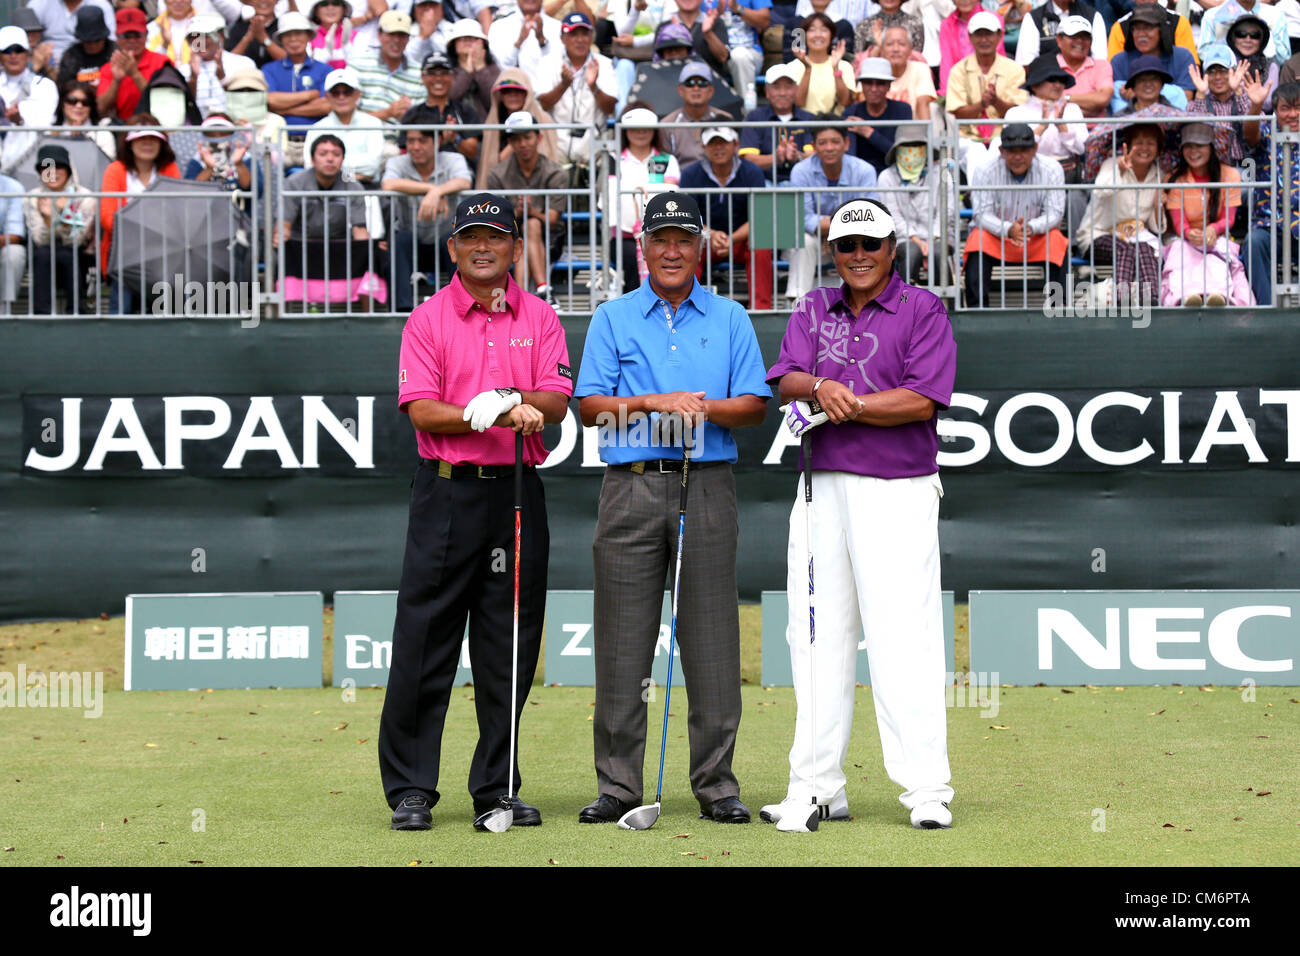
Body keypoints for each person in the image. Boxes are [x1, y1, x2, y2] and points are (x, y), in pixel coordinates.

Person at [573, 189, 770, 827]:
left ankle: (717, 786)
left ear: (700, 248)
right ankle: (619, 788)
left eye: (684, 239)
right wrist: (660, 402)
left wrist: (701, 408)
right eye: (661, 239)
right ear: (643, 248)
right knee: (622, 643)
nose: (672, 250)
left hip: (707, 482)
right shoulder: (612, 317)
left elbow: (754, 405)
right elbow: (590, 406)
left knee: (712, 639)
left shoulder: (731, 316)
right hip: (629, 484)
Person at [379, 190, 573, 833]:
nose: (483, 246)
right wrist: (486, 410)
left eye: (496, 235)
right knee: (426, 639)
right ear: (455, 248)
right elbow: (421, 410)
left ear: (516, 247)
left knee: (508, 643)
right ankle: (411, 788)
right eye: (471, 237)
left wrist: (521, 400)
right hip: (447, 492)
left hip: (515, 492)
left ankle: (496, 787)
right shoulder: (428, 320)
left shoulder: (540, 317)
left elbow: (556, 399)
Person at [761, 196, 956, 833]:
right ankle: (816, 787)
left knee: (904, 637)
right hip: (820, 486)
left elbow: (924, 399)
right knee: (813, 635)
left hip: (896, 487)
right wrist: (819, 388)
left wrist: (851, 403)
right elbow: (785, 375)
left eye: (871, 245)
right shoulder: (813, 306)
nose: (859, 256)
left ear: (892, 249)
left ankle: (927, 789)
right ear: (833, 253)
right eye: (847, 247)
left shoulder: (923, 307)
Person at [963, 121, 1067, 306]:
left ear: (1035, 149)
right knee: (977, 240)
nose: (1018, 157)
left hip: (1035, 235)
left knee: (1057, 241)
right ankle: (977, 310)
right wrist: (1008, 229)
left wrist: (1030, 227)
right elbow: (981, 214)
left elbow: (1055, 214)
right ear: (1002, 151)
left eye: (1024, 150)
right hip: (998, 236)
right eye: (1012, 151)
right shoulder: (985, 170)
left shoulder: (1052, 169)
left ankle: (1058, 308)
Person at [381, 106, 473, 317]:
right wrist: (431, 190)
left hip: (444, 246)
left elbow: (464, 180)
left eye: (422, 141)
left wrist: (439, 190)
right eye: (411, 140)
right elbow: (388, 184)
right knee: (400, 239)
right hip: (412, 247)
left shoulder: (452, 159)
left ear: (438, 141)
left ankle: (462, 310)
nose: (415, 146)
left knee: (453, 239)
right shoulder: (398, 162)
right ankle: (401, 311)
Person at [278, 133, 386, 309]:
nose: (330, 159)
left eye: (336, 154)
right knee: (279, 253)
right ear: (312, 159)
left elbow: (360, 230)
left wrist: (368, 249)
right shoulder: (294, 183)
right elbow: (284, 227)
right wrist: (280, 241)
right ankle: (280, 317)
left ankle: (369, 316)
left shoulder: (353, 186)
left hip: (339, 245)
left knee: (373, 254)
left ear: (342, 160)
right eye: (323, 154)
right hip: (302, 245)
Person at [680, 124, 773, 307]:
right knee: (688, 245)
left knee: (762, 244)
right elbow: (687, 217)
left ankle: (762, 308)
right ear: (704, 148)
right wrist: (712, 234)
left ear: (736, 144)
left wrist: (732, 238)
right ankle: (684, 307)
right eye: (712, 144)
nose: (718, 148)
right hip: (705, 240)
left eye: (723, 143)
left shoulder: (752, 172)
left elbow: (760, 217)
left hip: (741, 240)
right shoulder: (690, 173)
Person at [1161, 121, 1252, 306]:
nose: (1193, 152)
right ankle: (1184, 298)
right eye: (1188, 146)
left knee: (1216, 258)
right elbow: (1179, 224)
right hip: (1185, 239)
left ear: (1211, 148)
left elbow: (1229, 219)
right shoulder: (1174, 178)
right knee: (1180, 254)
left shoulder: (1230, 175)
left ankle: (1219, 296)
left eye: (1199, 146)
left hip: (1217, 236)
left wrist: (1213, 229)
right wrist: (1189, 233)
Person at [787, 119, 879, 302]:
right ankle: (797, 304)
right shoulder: (800, 171)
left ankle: (866, 304)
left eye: (835, 142)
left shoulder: (864, 171)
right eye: (822, 143)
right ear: (813, 146)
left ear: (846, 144)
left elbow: (867, 218)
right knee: (804, 240)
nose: (829, 148)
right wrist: (842, 226)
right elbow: (804, 218)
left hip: (853, 241)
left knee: (871, 244)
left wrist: (835, 234)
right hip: (817, 242)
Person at [1073, 121, 1165, 304]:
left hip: (1137, 236)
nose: (1144, 148)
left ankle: (1152, 299)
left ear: (1158, 149)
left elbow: (1157, 227)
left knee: (1145, 249)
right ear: (1128, 146)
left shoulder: (1159, 175)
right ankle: (1121, 298)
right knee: (1125, 248)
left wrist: (1158, 205)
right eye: (1139, 143)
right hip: (1099, 235)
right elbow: (1100, 191)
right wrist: (1120, 172)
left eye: (1150, 143)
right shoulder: (1111, 165)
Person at [99, 116, 181, 313]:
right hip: (125, 248)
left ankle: (170, 327)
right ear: (129, 142)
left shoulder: (169, 169)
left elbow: (177, 214)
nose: (147, 143)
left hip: (162, 248)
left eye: (153, 138)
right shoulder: (115, 170)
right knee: (127, 259)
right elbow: (108, 218)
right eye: (141, 138)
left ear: (162, 143)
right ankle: (119, 326)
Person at [485, 111, 568, 302]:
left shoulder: (556, 173)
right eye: (516, 139)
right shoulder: (497, 174)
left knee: (531, 226)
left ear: (538, 138)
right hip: (510, 237)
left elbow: (553, 221)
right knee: (523, 237)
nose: (522, 144)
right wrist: (517, 214)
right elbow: (495, 221)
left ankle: (519, 296)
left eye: (527, 137)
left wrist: (531, 213)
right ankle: (543, 289)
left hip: (550, 237)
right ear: (510, 143)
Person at [605, 100, 679, 294]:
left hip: (662, 232)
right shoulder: (613, 159)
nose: (640, 132)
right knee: (629, 260)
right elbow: (610, 196)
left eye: (646, 128)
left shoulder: (668, 160)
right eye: (634, 128)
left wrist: (638, 190)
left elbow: (671, 195)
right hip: (625, 236)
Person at [945, 10, 1028, 176]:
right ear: (970, 37)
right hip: (968, 137)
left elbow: (1018, 113)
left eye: (988, 34)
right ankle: (980, 201)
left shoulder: (1014, 69)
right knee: (975, 154)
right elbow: (957, 113)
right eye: (979, 35)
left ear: (999, 36)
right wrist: (981, 105)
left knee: (998, 151)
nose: (984, 40)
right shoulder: (958, 70)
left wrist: (996, 101)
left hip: (1004, 135)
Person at [876, 122, 958, 283]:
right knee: (911, 251)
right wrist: (918, 242)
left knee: (937, 252)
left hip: (939, 236)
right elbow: (892, 217)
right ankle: (904, 302)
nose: (912, 151)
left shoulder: (942, 174)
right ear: (897, 150)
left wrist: (930, 240)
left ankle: (944, 304)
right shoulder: (887, 177)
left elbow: (946, 212)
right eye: (907, 146)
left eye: (917, 146)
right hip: (902, 238)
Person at [1242, 81, 1299, 305]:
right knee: (1253, 242)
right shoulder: (1266, 131)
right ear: (1275, 110)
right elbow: (1250, 134)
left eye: (1298, 107)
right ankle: (1266, 310)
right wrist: (1256, 105)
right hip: (1270, 225)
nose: (1293, 114)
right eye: (1285, 108)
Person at [536, 11, 618, 166]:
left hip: (593, 147)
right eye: (573, 34)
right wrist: (563, 85)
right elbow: (544, 103)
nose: (580, 40)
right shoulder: (548, 63)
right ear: (563, 38)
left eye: (584, 34)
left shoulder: (604, 63)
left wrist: (594, 87)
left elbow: (610, 107)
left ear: (591, 36)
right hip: (557, 145)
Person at [25, 142, 97, 315]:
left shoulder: (85, 197)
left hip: (76, 253)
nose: (53, 173)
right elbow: (39, 239)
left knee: (67, 254)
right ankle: (41, 314)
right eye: (47, 168)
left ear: (68, 170)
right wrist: (48, 218)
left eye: (59, 167)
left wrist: (64, 217)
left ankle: (77, 312)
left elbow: (75, 240)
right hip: (44, 251)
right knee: (42, 253)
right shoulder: (32, 198)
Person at [263, 11, 332, 169]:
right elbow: (271, 101)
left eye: (298, 34)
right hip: (280, 143)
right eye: (288, 35)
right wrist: (309, 95)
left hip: (315, 143)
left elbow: (325, 106)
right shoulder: (269, 69)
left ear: (308, 36)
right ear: (280, 40)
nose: (293, 39)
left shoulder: (325, 70)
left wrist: (284, 108)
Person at [474, 69, 558, 189]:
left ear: (527, 94)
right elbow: (494, 164)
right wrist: (516, 139)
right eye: (507, 91)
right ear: (500, 95)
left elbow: (549, 159)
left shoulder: (543, 119)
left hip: (537, 185)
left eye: (518, 91)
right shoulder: (494, 122)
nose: (513, 95)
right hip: (504, 186)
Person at [1187, 42, 1267, 166]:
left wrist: (1238, 91)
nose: (1218, 77)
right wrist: (1200, 94)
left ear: (1234, 72)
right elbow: (1194, 131)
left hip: (1244, 167)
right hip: (1210, 169)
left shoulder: (1246, 99)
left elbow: (1258, 129)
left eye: (1223, 70)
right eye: (1212, 71)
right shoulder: (1196, 103)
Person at [305, 66, 389, 183]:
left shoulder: (373, 123)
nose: (341, 97)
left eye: (347, 92)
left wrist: (331, 169)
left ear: (357, 94)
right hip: (328, 193)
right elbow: (310, 166)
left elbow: (373, 165)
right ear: (327, 97)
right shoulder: (317, 129)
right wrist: (353, 175)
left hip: (366, 189)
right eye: (335, 93)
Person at [1110, 3, 1195, 109]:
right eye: (1136, 28)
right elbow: (1117, 104)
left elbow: (1185, 98)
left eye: (1147, 28)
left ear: (1161, 31)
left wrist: (1140, 93)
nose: (1141, 34)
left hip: (1172, 122)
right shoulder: (1119, 60)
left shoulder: (1182, 56)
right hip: (1131, 123)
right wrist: (1171, 93)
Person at [739, 62, 814, 182]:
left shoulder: (809, 119)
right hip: (764, 183)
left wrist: (798, 156)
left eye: (788, 87)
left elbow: (816, 157)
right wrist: (775, 158)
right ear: (767, 92)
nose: (782, 93)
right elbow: (748, 159)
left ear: (796, 90)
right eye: (776, 87)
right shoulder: (755, 117)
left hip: (801, 183)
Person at [0, 24, 60, 176]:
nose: (13, 56)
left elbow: (44, 123)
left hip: (32, 167)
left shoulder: (44, 85)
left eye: (18, 50)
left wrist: (19, 119)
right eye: (7, 51)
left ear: (28, 54)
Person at [354, 10, 425, 133]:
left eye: (402, 35)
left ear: (408, 38)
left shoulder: (419, 74)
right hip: (360, 140)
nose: (396, 40)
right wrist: (388, 113)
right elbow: (347, 120)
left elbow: (421, 123)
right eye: (391, 34)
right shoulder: (358, 64)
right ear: (379, 35)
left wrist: (407, 117)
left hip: (400, 145)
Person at [96, 8, 170, 122]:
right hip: (122, 130)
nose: (132, 41)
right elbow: (100, 110)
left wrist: (135, 74)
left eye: (137, 35)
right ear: (117, 37)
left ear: (146, 35)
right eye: (126, 36)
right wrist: (116, 81)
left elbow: (163, 105)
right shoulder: (108, 68)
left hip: (156, 127)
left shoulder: (162, 63)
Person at [659, 60, 734, 168]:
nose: (696, 88)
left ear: (711, 90)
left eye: (702, 84)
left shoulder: (724, 119)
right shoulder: (667, 124)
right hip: (680, 181)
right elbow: (663, 164)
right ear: (680, 90)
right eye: (690, 84)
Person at [179, 14, 257, 116]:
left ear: (220, 37)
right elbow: (183, 111)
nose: (199, 42)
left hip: (235, 127)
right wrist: (193, 79)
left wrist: (222, 78)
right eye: (193, 37)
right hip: (198, 128)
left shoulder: (244, 64)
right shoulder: (183, 71)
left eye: (205, 36)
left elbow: (248, 105)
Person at [415, 52, 483, 166]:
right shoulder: (413, 114)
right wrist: (440, 141)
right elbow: (408, 153)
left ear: (452, 76)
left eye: (444, 73)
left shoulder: (466, 111)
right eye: (432, 73)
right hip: (421, 176)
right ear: (423, 77)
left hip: (460, 175)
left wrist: (455, 138)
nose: (438, 78)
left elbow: (473, 152)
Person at [845, 56, 911, 171]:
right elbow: (849, 159)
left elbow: (904, 156)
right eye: (868, 83)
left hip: (895, 174)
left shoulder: (903, 110)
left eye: (880, 83)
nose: (874, 89)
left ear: (889, 86)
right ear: (862, 85)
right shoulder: (851, 113)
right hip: (860, 176)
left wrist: (868, 132)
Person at [791, 12, 856, 115]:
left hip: (834, 126)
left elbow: (845, 102)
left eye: (823, 30)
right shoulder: (794, 66)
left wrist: (835, 68)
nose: (818, 35)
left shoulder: (844, 66)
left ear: (832, 36)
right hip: (804, 127)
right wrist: (808, 69)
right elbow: (798, 103)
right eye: (812, 30)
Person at [938, 0, 1005, 95]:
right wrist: (946, 91)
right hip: (959, 84)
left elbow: (993, 55)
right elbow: (946, 60)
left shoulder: (994, 20)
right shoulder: (947, 24)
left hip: (993, 83)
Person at [1054, 13, 1113, 121]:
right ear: (1059, 40)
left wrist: (1065, 98)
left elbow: (1103, 99)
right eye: (1073, 36)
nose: (1080, 41)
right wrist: (1091, 107)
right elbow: (1046, 105)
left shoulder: (1101, 66)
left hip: (1095, 133)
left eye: (1085, 37)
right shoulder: (1048, 65)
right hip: (1057, 133)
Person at [1013, 0, 1106, 65]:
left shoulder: (1093, 16)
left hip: (1086, 82)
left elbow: (1100, 61)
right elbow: (1026, 63)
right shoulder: (1034, 18)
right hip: (1046, 83)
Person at [1200, 0, 1289, 67]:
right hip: (1225, 79)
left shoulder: (1275, 15)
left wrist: (1265, 30)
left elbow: (1283, 59)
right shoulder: (1213, 16)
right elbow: (1204, 54)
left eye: (1254, 35)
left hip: (1264, 78)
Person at [26, 0, 117, 66]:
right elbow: (24, 40)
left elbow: (110, 43)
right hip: (49, 62)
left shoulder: (101, 4)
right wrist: (35, 47)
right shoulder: (38, 3)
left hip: (87, 61)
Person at [1107, 0, 1199, 64]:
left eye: (1149, 28)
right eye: (1137, 28)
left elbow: (1191, 68)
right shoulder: (1120, 27)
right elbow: (1114, 70)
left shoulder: (1178, 22)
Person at [489, 0, 563, 79]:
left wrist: (542, 40)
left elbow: (558, 68)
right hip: (513, 88)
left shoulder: (558, 28)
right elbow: (501, 67)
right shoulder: (498, 27)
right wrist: (519, 43)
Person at [1222, 12, 1280, 108]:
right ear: (1233, 38)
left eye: (1255, 35)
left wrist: (1251, 97)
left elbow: (1269, 103)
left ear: (1262, 40)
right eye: (1241, 34)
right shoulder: (1223, 63)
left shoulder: (1271, 65)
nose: (1248, 39)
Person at [881, 24, 935, 121]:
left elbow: (922, 103)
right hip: (880, 129)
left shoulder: (920, 68)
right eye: (889, 44)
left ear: (911, 49)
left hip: (912, 130)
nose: (896, 49)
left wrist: (926, 134)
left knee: (934, 108)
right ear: (882, 49)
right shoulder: (874, 69)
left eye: (902, 44)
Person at [52, 79, 117, 159]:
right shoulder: (50, 133)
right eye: (72, 101)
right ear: (62, 103)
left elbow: (106, 166)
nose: (79, 106)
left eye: (85, 102)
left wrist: (81, 141)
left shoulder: (103, 134)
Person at [447, 17, 499, 115]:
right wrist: (467, 72)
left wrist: (481, 68)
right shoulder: (446, 70)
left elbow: (494, 103)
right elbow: (450, 97)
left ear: (482, 44)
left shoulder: (493, 70)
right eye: (462, 39)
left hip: (486, 127)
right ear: (454, 44)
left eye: (473, 38)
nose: (467, 42)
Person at [56, 5, 116, 88]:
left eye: (97, 40)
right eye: (88, 41)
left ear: (104, 38)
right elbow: (64, 87)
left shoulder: (115, 52)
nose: (93, 45)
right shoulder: (71, 56)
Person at [853, 0, 924, 62]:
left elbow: (916, 57)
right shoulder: (864, 25)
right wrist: (878, 47)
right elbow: (858, 60)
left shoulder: (914, 24)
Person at [1112, 53, 1182, 113]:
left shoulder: (1179, 119)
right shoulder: (1120, 120)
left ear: (1162, 84)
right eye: (1142, 80)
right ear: (1133, 87)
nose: (1148, 84)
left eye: (1154, 79)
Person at [224, 0, 285, 67]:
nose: (263, 1)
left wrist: (264, 39)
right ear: (250, 1)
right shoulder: (239, 27)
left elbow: (291, 60)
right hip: (245, 74)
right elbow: (228, 63)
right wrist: (248, 37)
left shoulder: (284, 27)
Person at [306, 0, 357, 69]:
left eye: (336, 3)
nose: (330, 8)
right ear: (316, 11)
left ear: (344, 9)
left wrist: (347, 48)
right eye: (324, 4)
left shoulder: (358, 36)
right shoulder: (308, 38)